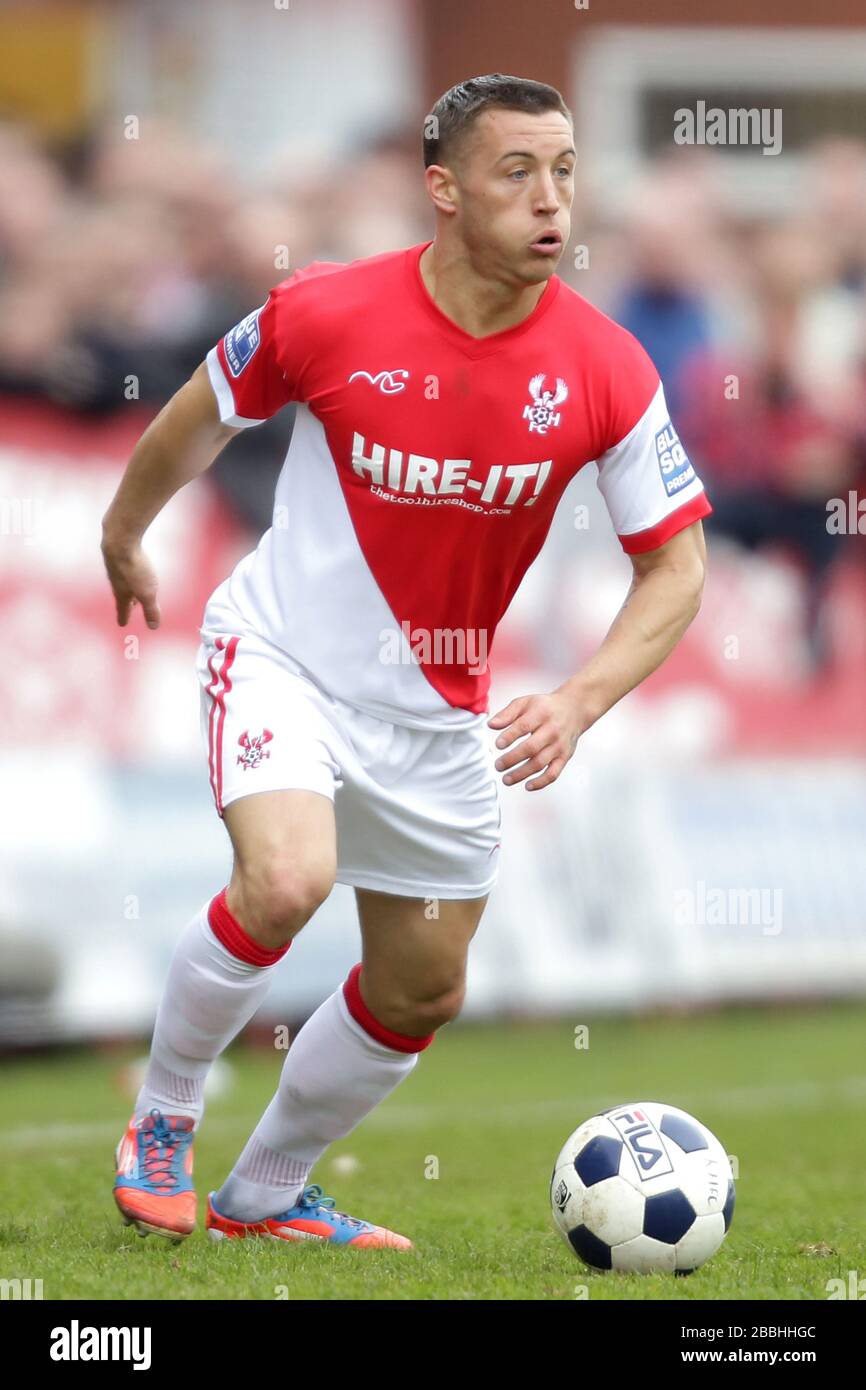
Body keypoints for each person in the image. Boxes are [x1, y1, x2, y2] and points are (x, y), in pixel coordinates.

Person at [101, 74, 710, 1249]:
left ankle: (265, 1191)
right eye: (516, 173)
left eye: (566, 171)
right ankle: (164, 1115)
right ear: (441, 189)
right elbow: (195, 416)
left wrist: (579, 700)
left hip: (435, 722)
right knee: (284, 883)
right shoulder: (324, 313)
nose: (551, 202)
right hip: (281, 657)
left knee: (422, 988)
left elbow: (676, 571)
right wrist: (125, 531)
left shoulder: (605, 369)